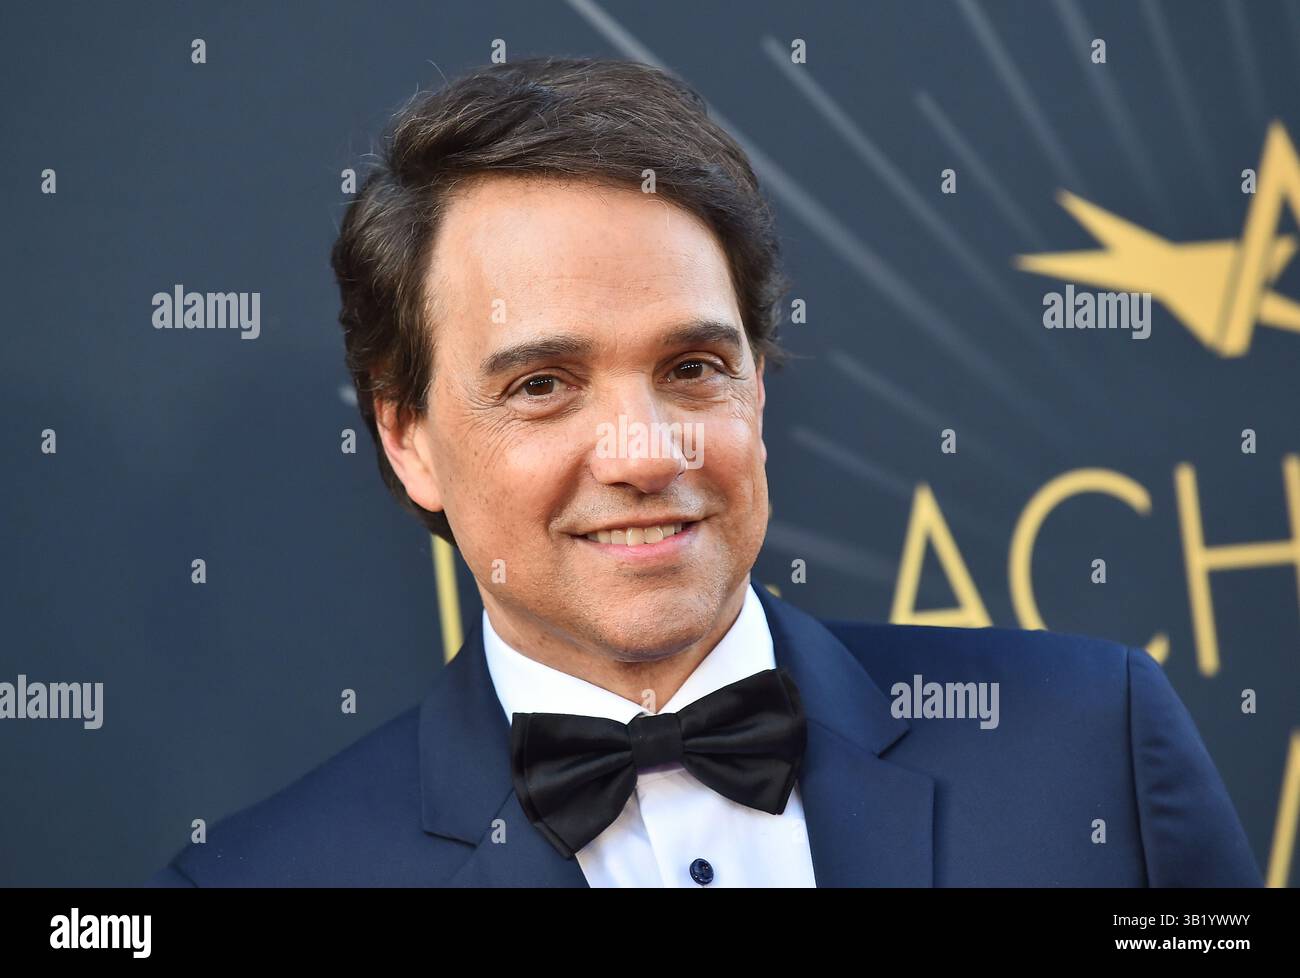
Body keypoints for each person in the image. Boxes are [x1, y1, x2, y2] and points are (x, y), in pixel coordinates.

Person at [148, 56, 1261, 887]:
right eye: (542, 384)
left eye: (691, 368)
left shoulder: (1090, 747)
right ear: (409, 441)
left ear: (759, 389)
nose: (645, 455)